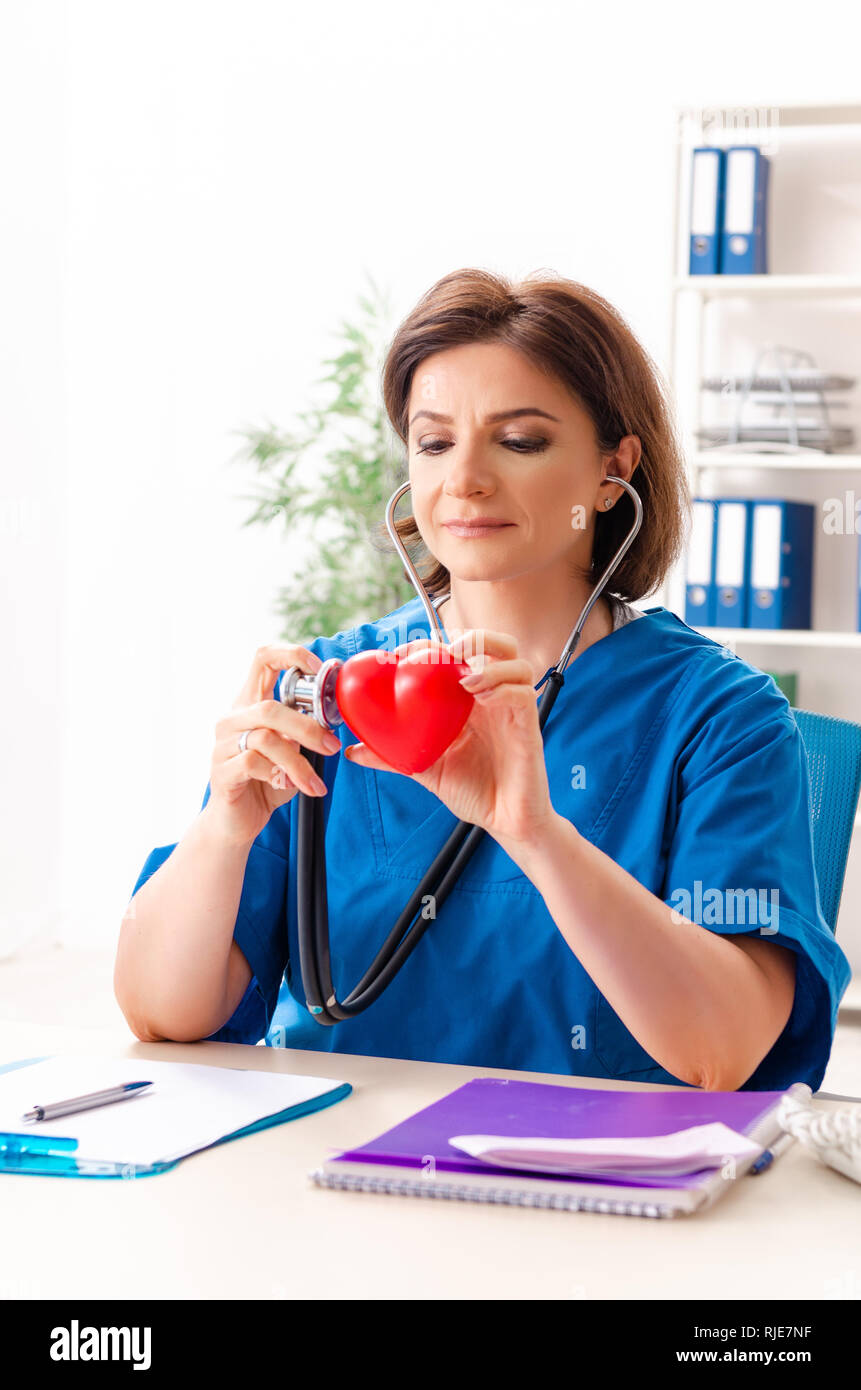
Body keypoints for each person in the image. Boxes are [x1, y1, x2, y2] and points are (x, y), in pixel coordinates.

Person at [115, 267, 850, 1092]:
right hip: (331, 1184)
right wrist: (224, 829)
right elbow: (161, 1014)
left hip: (589, 1195)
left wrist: (536, 834)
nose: (461, 478)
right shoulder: (329, 691)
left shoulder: (720, 718)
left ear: (613, 471)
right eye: (433, 443)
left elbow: (725, 1050)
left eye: (519, 440)